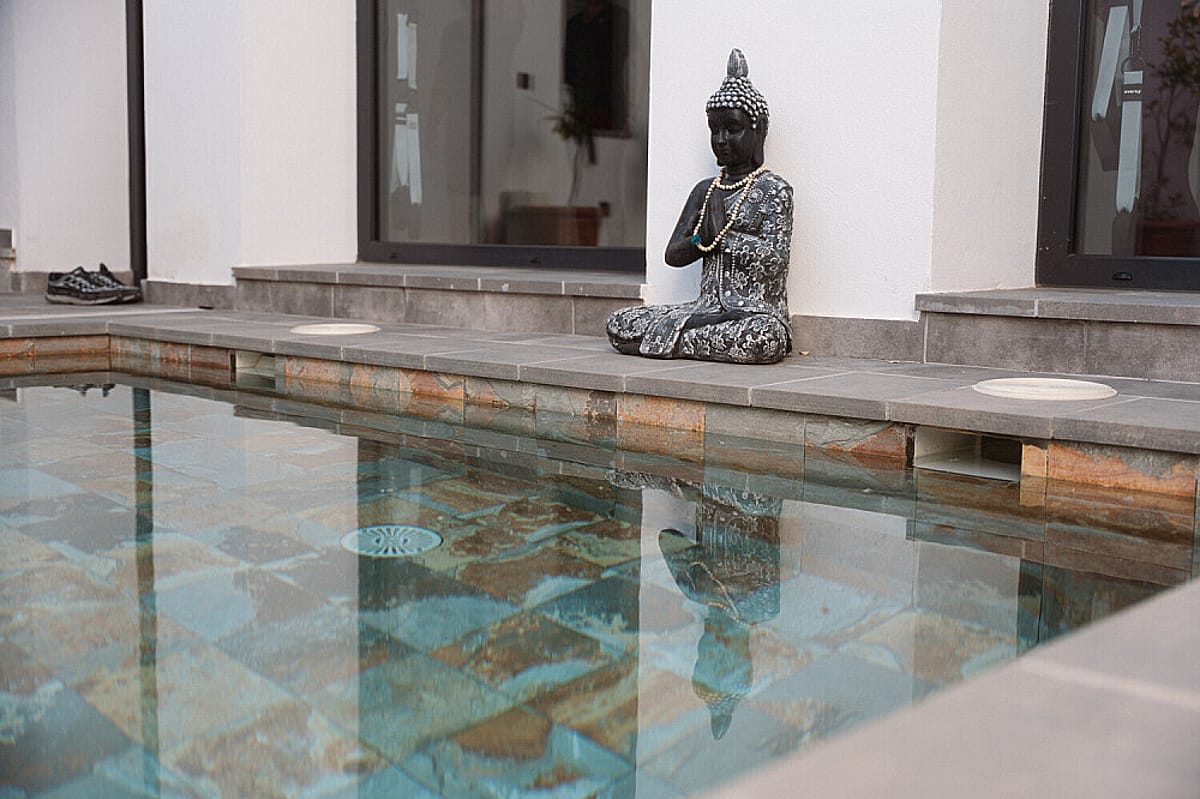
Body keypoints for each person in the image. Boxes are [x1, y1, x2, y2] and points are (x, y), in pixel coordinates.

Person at [607, 48, 793, 364]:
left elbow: (775, 262)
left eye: (732, 129)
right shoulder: (705, 191)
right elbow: (673, 254)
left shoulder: (774, 190)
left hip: (753, 313)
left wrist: (725, 236)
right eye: (714, 130)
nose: (721, 139)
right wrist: (700, 241)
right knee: (619, 323)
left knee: (763, 339)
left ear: (757, 130)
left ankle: (673, 340)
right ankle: (684, 338)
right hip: (703, 309)